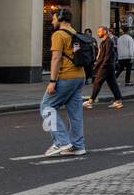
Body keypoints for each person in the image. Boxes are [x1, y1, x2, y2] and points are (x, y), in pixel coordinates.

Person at [42, 8, 88, 156]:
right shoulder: (74, 32)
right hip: (80, 76)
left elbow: (56, 58)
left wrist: (52, 81)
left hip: (66, 77)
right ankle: (78, 146)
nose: (52, 21)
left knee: (46, 107)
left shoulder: (58, 34)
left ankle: (61, 142)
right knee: (75, 113)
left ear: (61, 18)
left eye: (54, 18)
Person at [84, 25, 124, 110]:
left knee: (97, 82)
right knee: (112, 83)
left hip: (106, 66)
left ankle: (91, 101)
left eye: (99, 31)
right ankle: (118, 100)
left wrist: (102, 66)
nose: (98, 33)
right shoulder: (104, 42)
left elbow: (107, 56)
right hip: (108, 66)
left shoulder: (108, 42)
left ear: (105, 32)